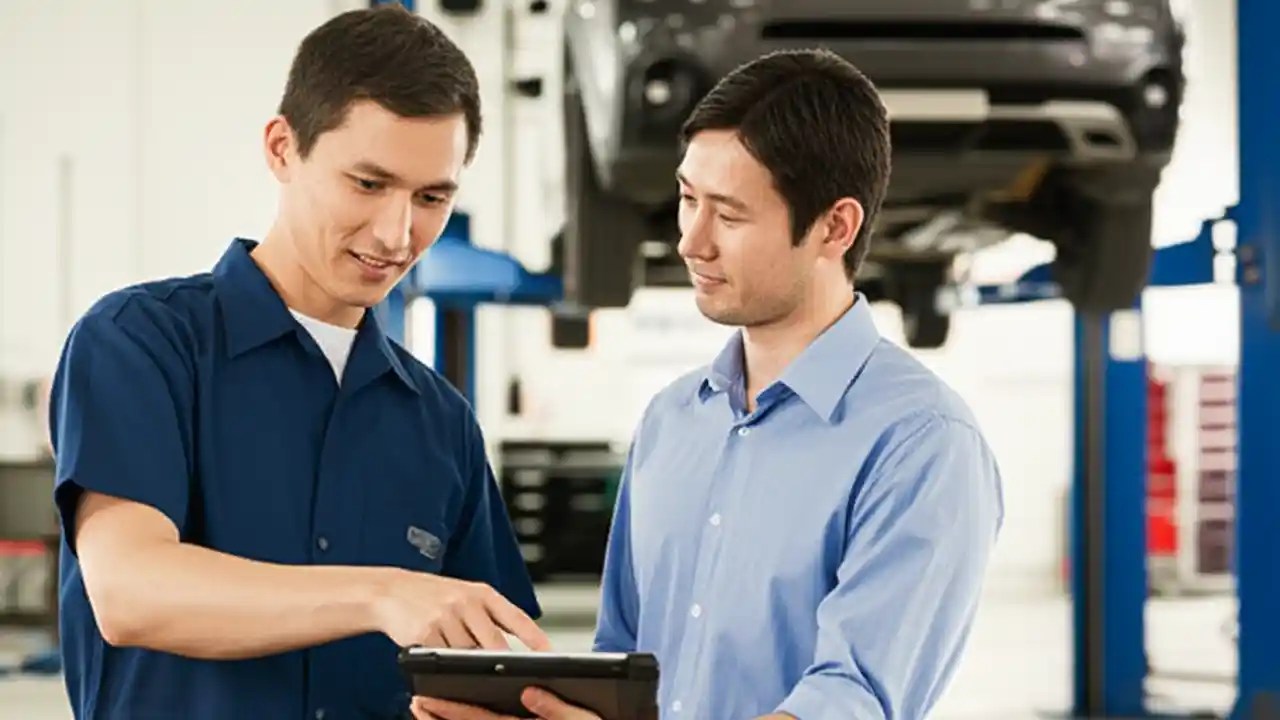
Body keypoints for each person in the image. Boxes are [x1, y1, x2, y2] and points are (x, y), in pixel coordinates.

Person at [414, 48, 1004, 720]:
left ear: (834, 227)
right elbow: (623, 664)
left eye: (728, 214)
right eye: (687, 200)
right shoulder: (672, 421)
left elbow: (850, 698)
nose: (691, 242)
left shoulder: (921, 442)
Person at [47, 7, 549, 720]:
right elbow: (131, 592)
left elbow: (495, 662)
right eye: (368, 184)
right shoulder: (140, 344)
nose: (397, 234)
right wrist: (383, 594)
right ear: (283, 148)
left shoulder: (440, 422)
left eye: (431, 197)